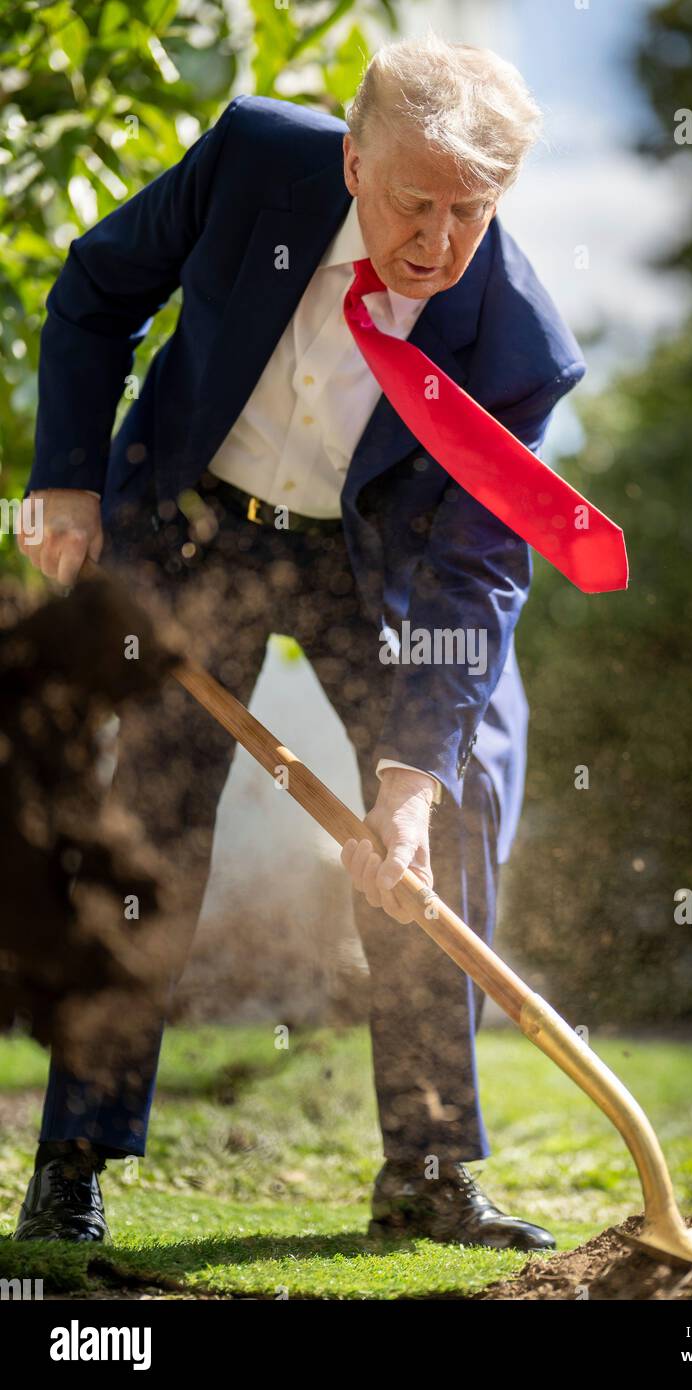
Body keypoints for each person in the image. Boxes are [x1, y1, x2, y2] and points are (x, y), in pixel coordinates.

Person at [17, 34, 585, 1251]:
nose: (436, 244)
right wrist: (65, 479)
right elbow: (96, 286)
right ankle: (74, 1157)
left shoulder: (516, 347)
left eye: (470, 213)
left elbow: (475, 569)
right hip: (199, 526)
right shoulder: (251, 162)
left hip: (364, 567)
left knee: (448, 808)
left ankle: (428, 1166)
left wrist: (406, 786)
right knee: (152, 820)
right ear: (349, 161)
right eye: (412, 201)